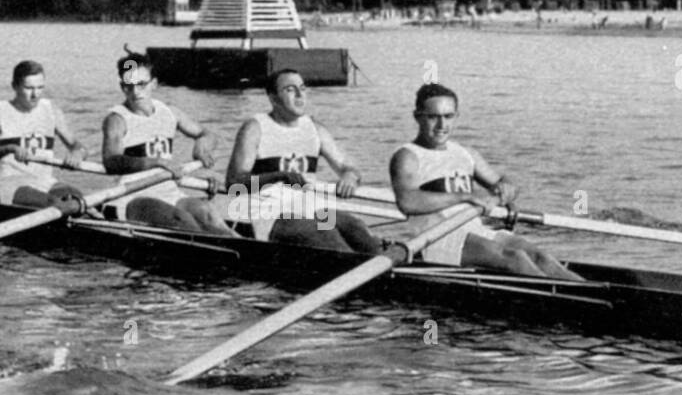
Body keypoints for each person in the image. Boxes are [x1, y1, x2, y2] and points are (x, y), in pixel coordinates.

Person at [389, 82, 582, 279]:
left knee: (542, 258)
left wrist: (507, 190)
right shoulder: (408, 156)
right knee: (515, 258)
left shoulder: (465, 154)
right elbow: (407, 202)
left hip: (475, 230)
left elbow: (504, 181)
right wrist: (466, 196)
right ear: (417, 116)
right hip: (435, 238)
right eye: (433, 117)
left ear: (457, 116)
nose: (441, 125)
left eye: (448, 116)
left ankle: (594, 296)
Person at [225, 69, 382, 253]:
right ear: (273, 98)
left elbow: (347, 167)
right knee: (325, 234)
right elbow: (234, 183)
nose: (300, 95)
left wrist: (350, 177)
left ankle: (382, 269)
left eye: (302, 88)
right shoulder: (255, 128)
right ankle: (360, 270)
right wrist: (278, 176)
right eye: (290, 90)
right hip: (270, 213)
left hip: (310, 209)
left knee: (354, 227)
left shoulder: (314, 128)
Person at [101, 51, 235, 235]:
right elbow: (111, 162)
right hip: (133, 195)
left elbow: (207, 133)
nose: (135, 92)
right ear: (122, 86)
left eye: (141, 84)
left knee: (207, 212)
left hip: (169, 191)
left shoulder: (170, 113)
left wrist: (201, 147)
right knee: (183, 220)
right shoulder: (117, 119)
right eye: (128, 86)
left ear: (154, 84)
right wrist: (154, 162)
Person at [0, 60, 90, 212]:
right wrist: (9, 149)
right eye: (29, 88)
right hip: (13, 186)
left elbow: (78, 146)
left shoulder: (51, 109)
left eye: (40, 88)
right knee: (57, 206)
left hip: (46, 183)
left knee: (77, 197)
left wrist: (77, 153)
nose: (35, 95)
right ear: (14, 86)